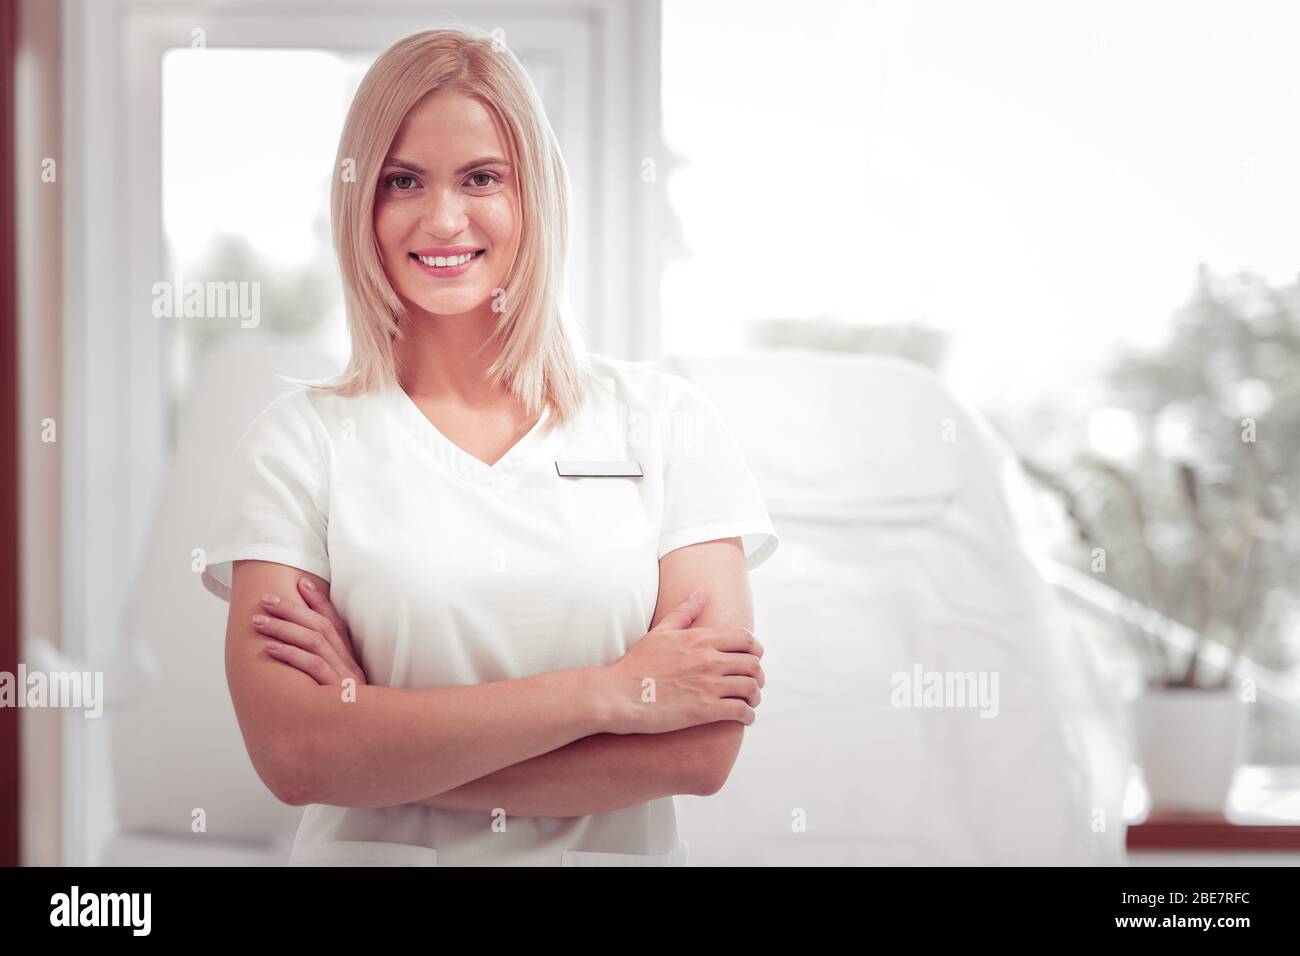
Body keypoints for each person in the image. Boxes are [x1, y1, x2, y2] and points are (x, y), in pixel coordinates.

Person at [200, 27, 779, 866]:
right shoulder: (298, 445)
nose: (442, 218)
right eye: (403, 180)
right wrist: (612, 694)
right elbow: (294, 755)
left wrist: (375, 738)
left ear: (533, 196)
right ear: (361, 200)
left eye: (481, 178)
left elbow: (697, 752)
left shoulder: (666, 424)